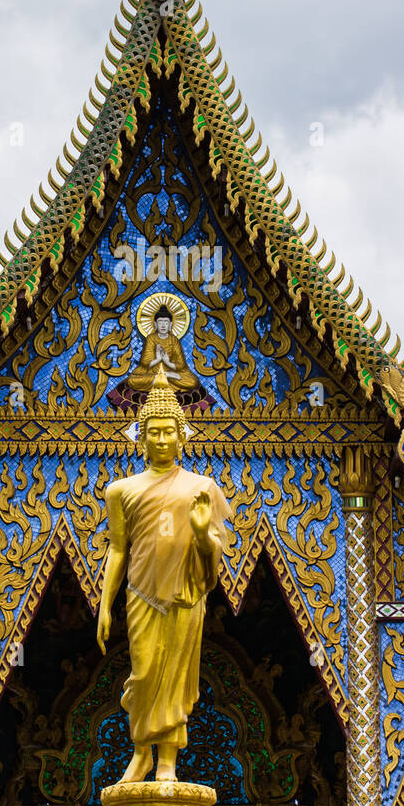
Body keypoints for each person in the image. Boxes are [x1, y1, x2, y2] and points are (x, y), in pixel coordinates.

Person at [96, 365, 232, 782]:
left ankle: (168, 763)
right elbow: (118, 549)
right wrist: (105, 605)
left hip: (185, 598)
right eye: (152, 431)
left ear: (181, 433)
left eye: (168, 431)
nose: (161, 439)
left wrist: (200, 533)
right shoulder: (121, 490)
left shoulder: (202, 487)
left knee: (175, 679)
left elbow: (214, 558)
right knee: (144, 674)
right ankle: (140, 752)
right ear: (141, 435)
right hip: (141, 595)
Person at [126, 306, 199, 394]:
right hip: (152, 373)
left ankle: (164, 378)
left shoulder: (174, 340)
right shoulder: (151, 338)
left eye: (166, 322)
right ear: (155, 324)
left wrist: (167, 362)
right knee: (132, 380)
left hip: (171, 373)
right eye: (160, 322)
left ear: (171, 324)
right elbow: (145, 363)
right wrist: (158, 359)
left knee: (193, 382)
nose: (163, 325)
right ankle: (162, 378)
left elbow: (181, 365)